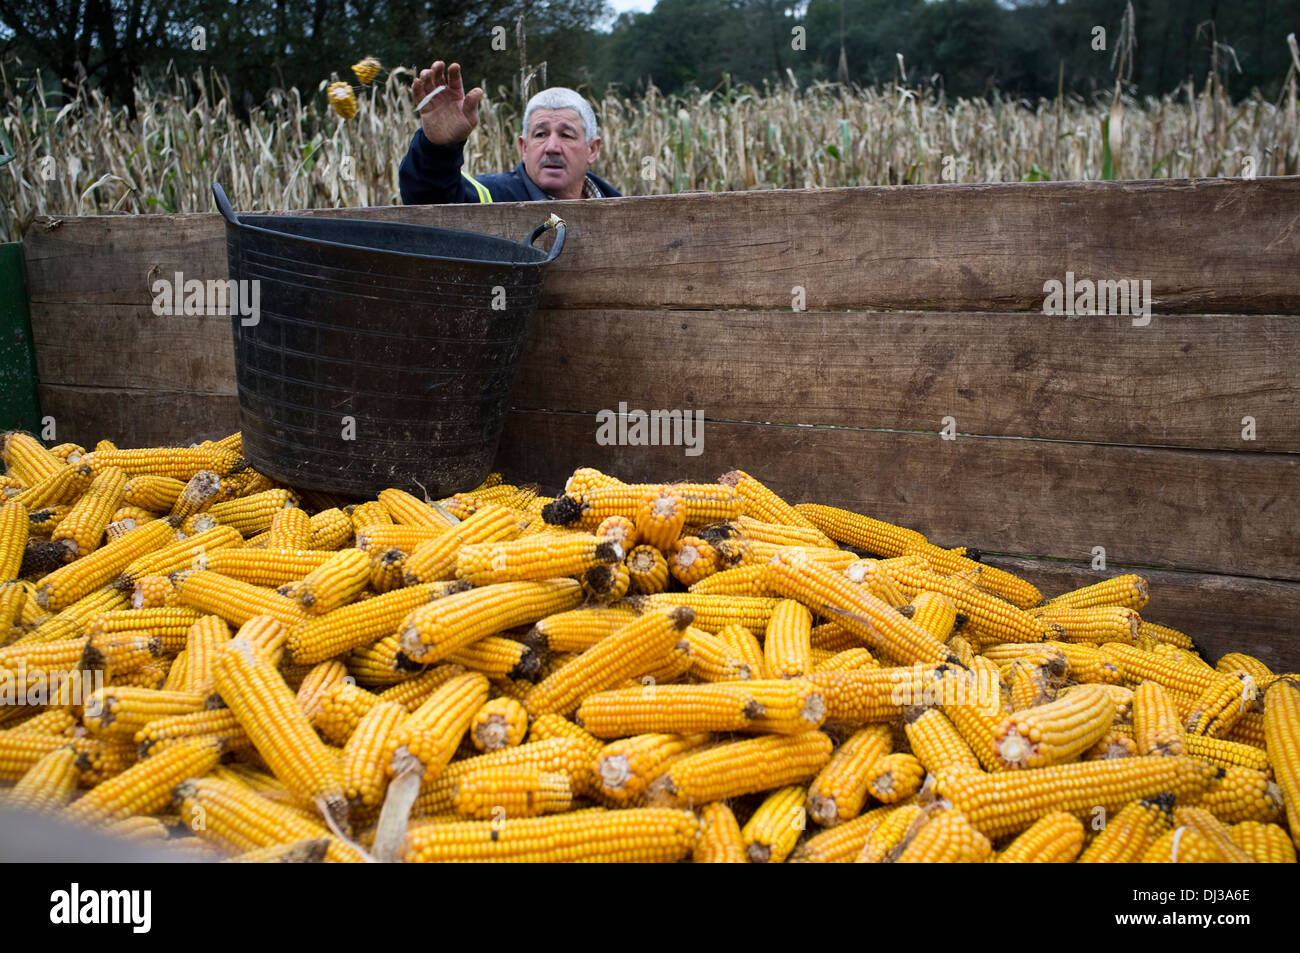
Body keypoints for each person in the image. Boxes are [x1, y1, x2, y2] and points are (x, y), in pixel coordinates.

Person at [399, 60, 621, 205]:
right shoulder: (491, 197)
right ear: (524, 147)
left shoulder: (623, 210)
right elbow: (430, 200)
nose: (552, 147)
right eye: (540, 134)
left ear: (592, 149)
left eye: (566, 135)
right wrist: (438, 149)